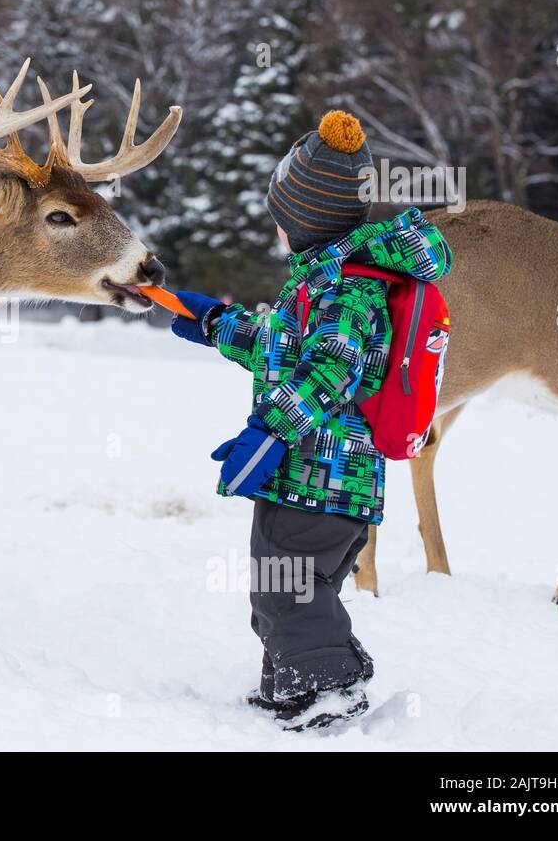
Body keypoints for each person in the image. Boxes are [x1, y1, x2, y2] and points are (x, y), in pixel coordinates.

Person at [169, 110, 454, 730]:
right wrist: (216, 325)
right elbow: (285, 351)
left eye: (279, 218)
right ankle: (291, 691)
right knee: (283, 589)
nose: (275, 229)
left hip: (327, 477)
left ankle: (329, 696)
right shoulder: (319, 282)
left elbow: (333, 366)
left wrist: (272, 430)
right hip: (307, 476)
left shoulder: (349, 289)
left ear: (303, 219)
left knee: (289, 590)